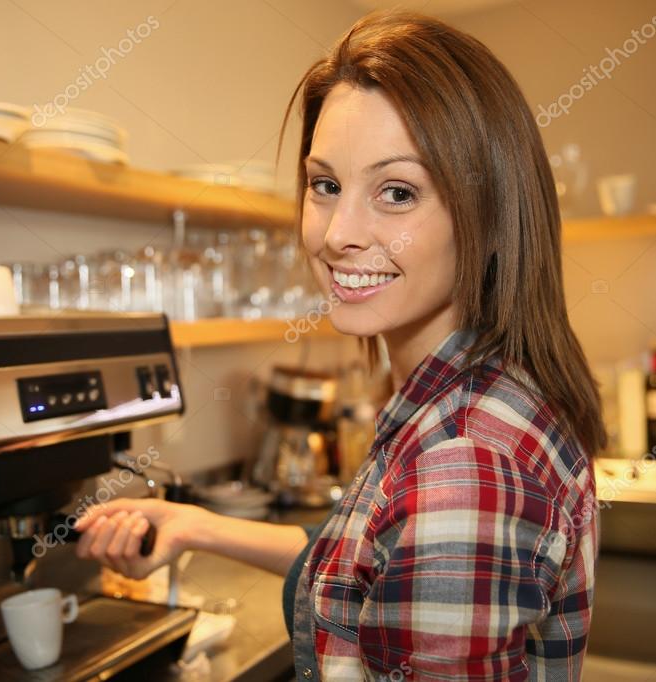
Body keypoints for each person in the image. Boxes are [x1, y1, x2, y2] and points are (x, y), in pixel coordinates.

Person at [75, 10, 605, 680]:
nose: (336, 234)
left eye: (396, 192)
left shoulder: (460, 465)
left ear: (489, 210)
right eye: (325, 185)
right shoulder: (483, 390)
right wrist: (194, 527)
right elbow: (376, 572)